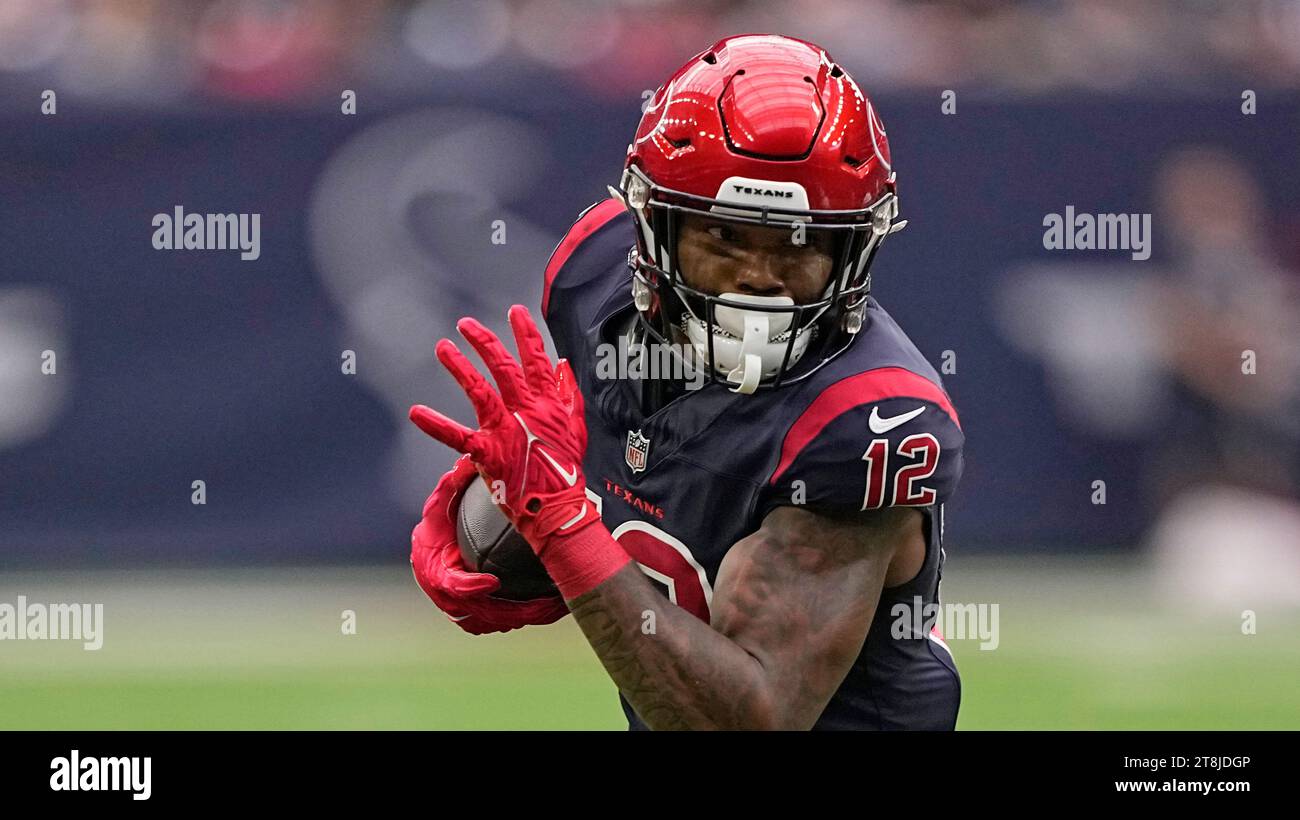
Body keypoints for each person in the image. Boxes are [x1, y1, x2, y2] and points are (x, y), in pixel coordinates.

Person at [408, 34, 964, 730]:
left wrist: (563, 524)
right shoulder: (596, 283)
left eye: (799, 243)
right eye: (726, 237)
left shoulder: (863, 420)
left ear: (855, 249)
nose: (759, 277)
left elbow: (746, 721)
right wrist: (515, 502)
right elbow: (521, 549)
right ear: (652, 231)